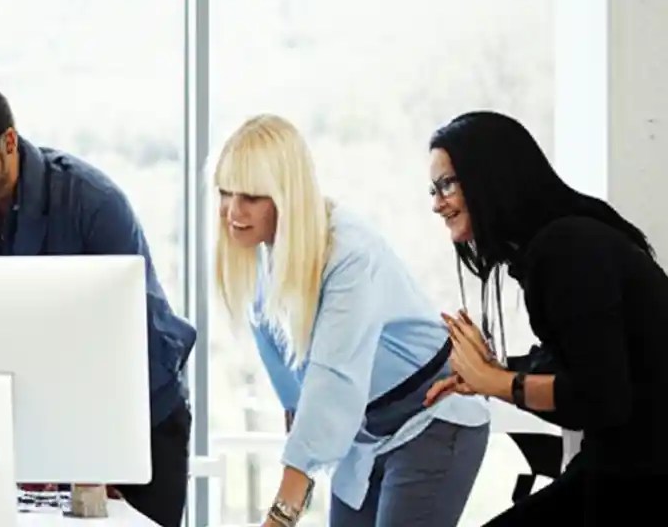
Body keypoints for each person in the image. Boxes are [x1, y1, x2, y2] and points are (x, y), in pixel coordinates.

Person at [0, 79, 196, 527]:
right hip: (58, 410)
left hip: (144, 412)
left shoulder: (92, 202)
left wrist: (101, 452)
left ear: (8, 142)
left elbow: (124, 336)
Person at [214, 115, 489, 527]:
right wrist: (298, 462)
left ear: (286, 196)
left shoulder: (349, 250)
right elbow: (294, 386)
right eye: (225, 191)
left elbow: (332, 378)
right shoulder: (258, 257)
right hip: (364, 435)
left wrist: (281, 515)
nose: (233, 211)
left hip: (433, 418)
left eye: (251, 196)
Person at [426, 111, 668, 525]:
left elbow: (602, 400)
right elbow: (584, 380)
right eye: (433, 189)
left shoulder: (566, 249)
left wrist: (498, 382)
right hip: (629, 466)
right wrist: (496, 374)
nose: (437, 204)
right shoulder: (557, 246)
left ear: (489, 176)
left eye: (447, 184)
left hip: (644, 475)